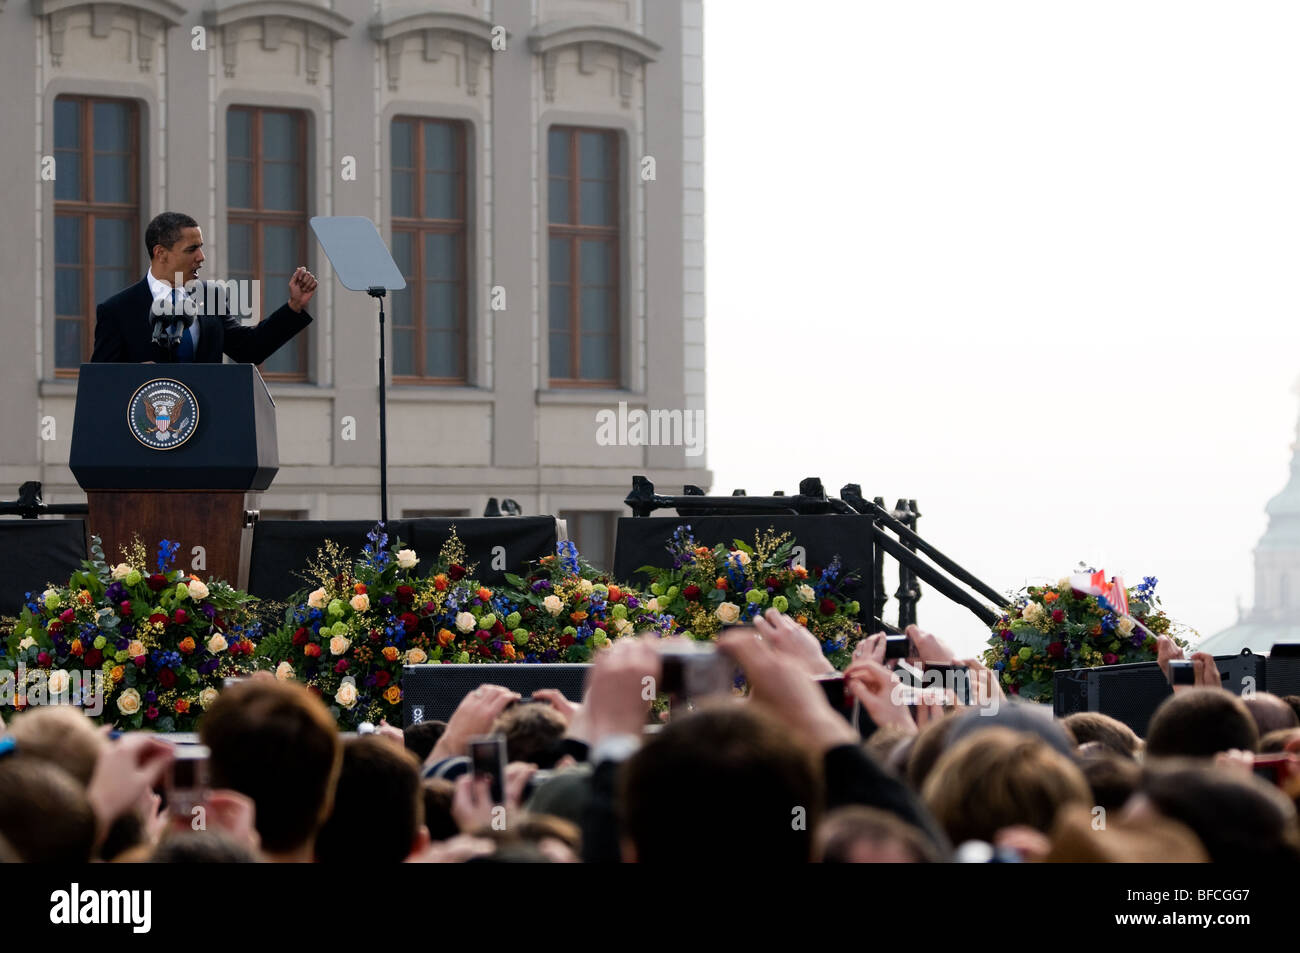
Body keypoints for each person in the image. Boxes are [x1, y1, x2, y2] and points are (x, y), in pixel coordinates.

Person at [91, 211, 317, 364]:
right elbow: (101, 383)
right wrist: (133, 377)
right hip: (149, 429)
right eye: (192, 250)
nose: (202, 257)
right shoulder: (117, 311)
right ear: (161, 253)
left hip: (208, 426)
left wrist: (294, 306)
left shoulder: (211, 296)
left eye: (201, 247)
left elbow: (249, 350)